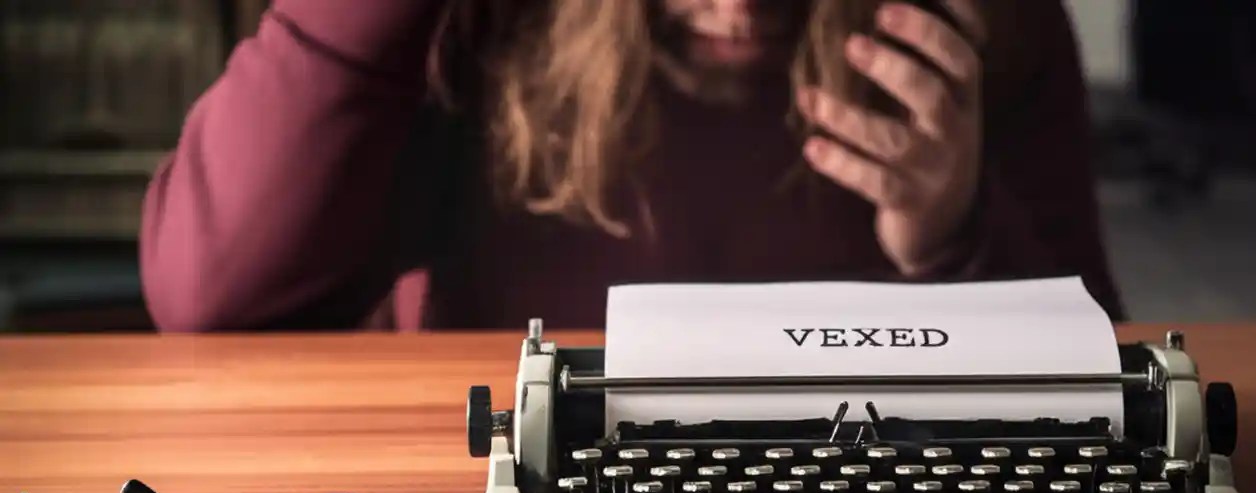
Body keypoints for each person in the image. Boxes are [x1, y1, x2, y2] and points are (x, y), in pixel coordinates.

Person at [139, 0, 1125, 331]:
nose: (735, 8)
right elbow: (212, 290)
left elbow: (1106, 379)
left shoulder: (979, 21)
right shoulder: (478, 23)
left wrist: (957, 241)